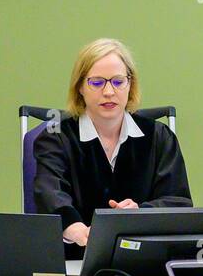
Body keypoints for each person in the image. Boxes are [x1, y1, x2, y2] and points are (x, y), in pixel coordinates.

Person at [33, 38, 191, 254]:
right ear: (80, 87)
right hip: (74, 261)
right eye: (97, 82)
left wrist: (142, 212)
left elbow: (178, 203)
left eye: (118, 82)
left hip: (146, 262)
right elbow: (50, 194)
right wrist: (74, 228)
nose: (108, 92)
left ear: (130, 85)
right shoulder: (55, 138)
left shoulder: (159, 137)